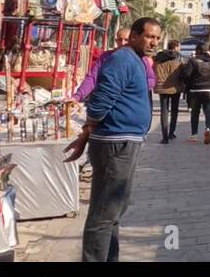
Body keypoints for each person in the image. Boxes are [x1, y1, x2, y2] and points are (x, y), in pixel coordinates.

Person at [63, 17, 162, 262]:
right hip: (115, 143)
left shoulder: (138, 61)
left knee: (115, 210)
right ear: (135, 36)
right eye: (149, 36)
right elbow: (100, 102)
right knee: (104, 213)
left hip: (126, 142)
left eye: (157, 38)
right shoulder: (121, 59)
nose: (154, 42)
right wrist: (87, 132)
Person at [72, 27, 156, 102]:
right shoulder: (106, 57)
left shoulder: (141, 58)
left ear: (132, 40)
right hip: (106, 101)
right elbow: (92, 77)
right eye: (120, 39)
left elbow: (151, 79)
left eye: (126, 40)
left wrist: (133, 88)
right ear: (116, 41)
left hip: (129, 103)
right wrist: (77, 96)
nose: (123, 43)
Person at [181, 44, 210, 145]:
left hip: (196, 90)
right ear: (207, 50)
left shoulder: (193, 60)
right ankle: (208, 128)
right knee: (209, 111)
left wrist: (188, 86)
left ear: (198, 51)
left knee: (195, 113)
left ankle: (194, 135)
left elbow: (186, 75)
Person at [153, 40, 185, 144]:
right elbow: (183, 72)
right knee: (174, 110)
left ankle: (164, 137)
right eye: (179, 46)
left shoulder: (158, 57)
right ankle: (171, 133)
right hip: (175, 87)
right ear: (175, 47)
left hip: (162, 87)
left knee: (164, 111)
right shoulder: (180, 58)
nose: (179, 48)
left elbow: (154, 69)